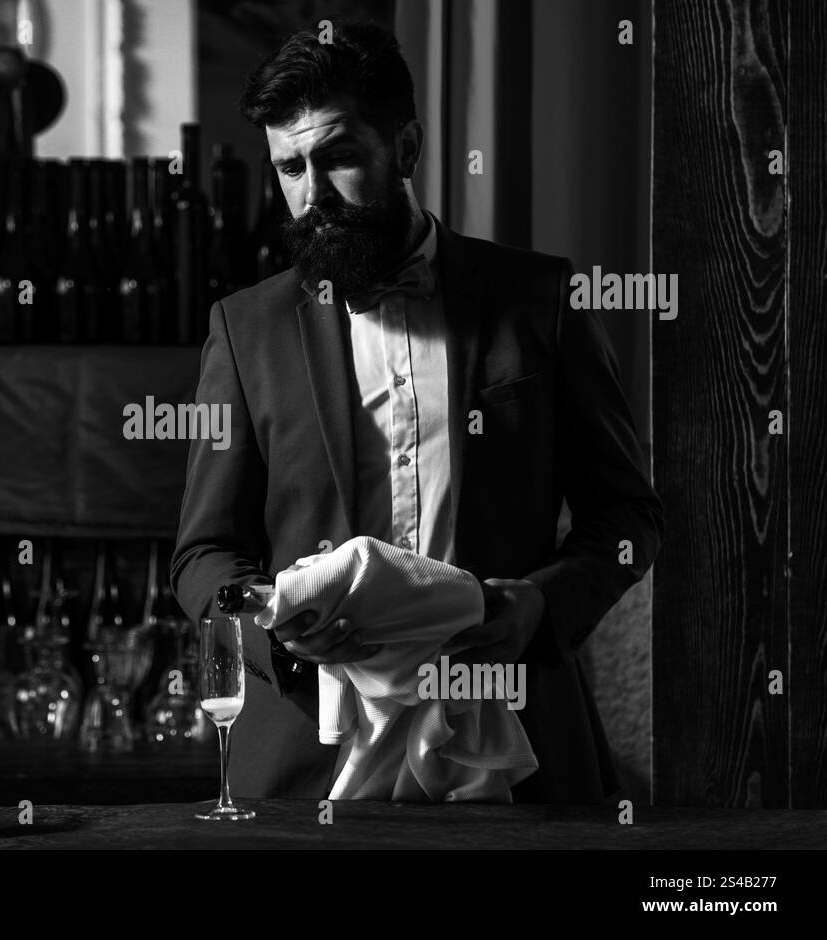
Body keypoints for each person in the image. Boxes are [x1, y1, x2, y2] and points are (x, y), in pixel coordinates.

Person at [171, 22, 664, 802]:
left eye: (338, 158)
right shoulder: (244, 329)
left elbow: (631, 518)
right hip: (309, 755)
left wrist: (540, 605)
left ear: (404, 148)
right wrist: (273, 621)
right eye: (290, 167)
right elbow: (202, 558)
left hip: (518, 740)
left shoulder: (542, 301)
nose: (313, 194)